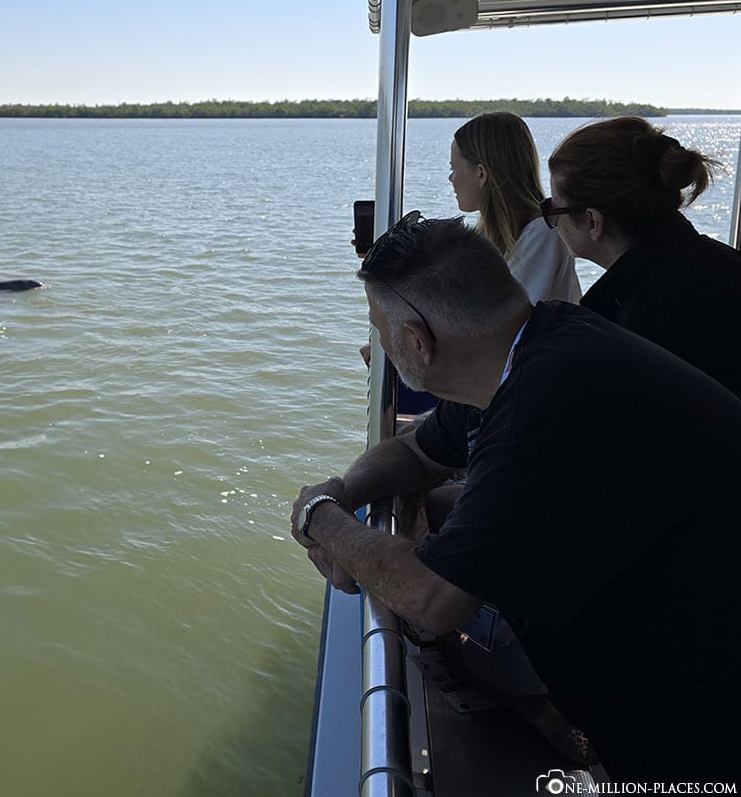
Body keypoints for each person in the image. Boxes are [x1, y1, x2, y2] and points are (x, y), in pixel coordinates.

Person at [290, 215, 741, 784]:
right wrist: (344, 490)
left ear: (416, 342)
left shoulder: (543, 403)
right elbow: (418, 453)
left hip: (705, 715)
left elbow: (432, 598)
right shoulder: (534, 347)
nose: (377, 343)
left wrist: (319, 518)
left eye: (380, 329)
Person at [545, 116, 741, 396]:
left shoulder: (643, 326)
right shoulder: (718, 264)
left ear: (592, 221)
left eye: (553, 209)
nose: (551, 221)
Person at [450, 112, 581, 303]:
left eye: (452, 168)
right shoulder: (492, 235)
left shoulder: (543, 233)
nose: (450, 179)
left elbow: (505, 321)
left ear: (481, 174)